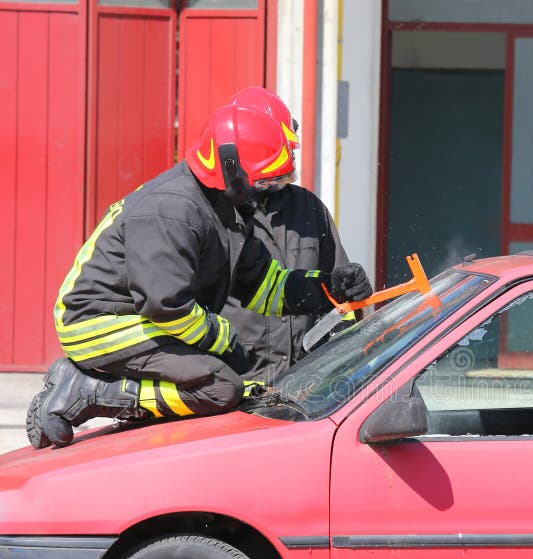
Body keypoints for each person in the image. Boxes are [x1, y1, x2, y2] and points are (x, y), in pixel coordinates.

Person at [26, 101, 371, 449]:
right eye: (265, 181)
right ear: (232, 168)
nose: (271, 190)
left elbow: (265, 286)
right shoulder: (174, 209)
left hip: (147, 316)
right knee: (219, 387)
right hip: (96, 321)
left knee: (221, 381)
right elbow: (166, 305)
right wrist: (223, 339)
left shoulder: (226, 207)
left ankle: (95, 390)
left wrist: (326, 287)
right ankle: (87, 390)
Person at [221, 87, 354, 383]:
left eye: (287, 151)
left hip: (304, 385)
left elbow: (340, 299)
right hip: (235, 384)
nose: (286, 160)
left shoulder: (309, 208)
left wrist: (344, 364)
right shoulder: (216, 213)